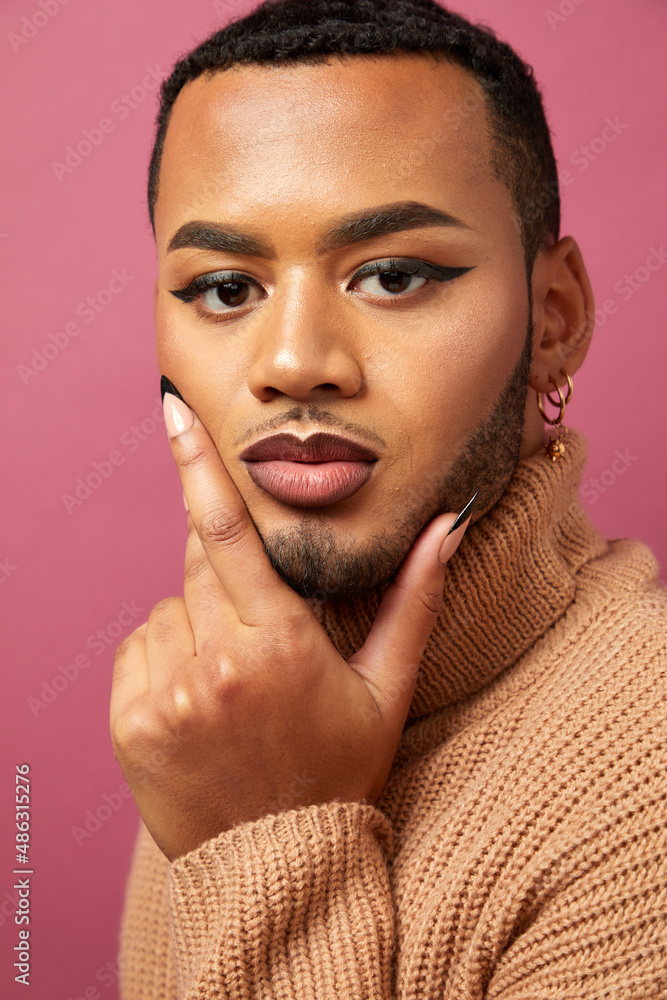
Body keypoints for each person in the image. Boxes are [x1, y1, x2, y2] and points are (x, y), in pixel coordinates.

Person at [111, 0, 667, 995]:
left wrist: (274, 847)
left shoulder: (645, 781)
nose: (293, 364)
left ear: (554, 318)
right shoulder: (219, 715)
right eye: (225, 290)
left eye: (394, 274)